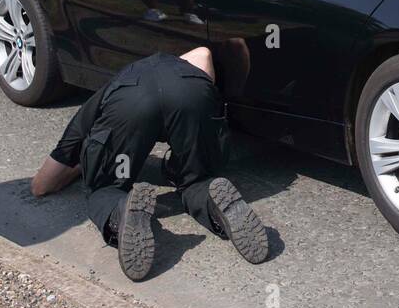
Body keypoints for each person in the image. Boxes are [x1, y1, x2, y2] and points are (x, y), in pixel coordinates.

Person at [30, 47, 269, 279]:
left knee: (104, 188)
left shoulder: (104, 96)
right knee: (197, 178)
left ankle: (120, 210)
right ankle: (213, 202)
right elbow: (204, 54)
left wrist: (84, 164)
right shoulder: (179, 62)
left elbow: (41, 185)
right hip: (190, 89)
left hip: (131, 103)